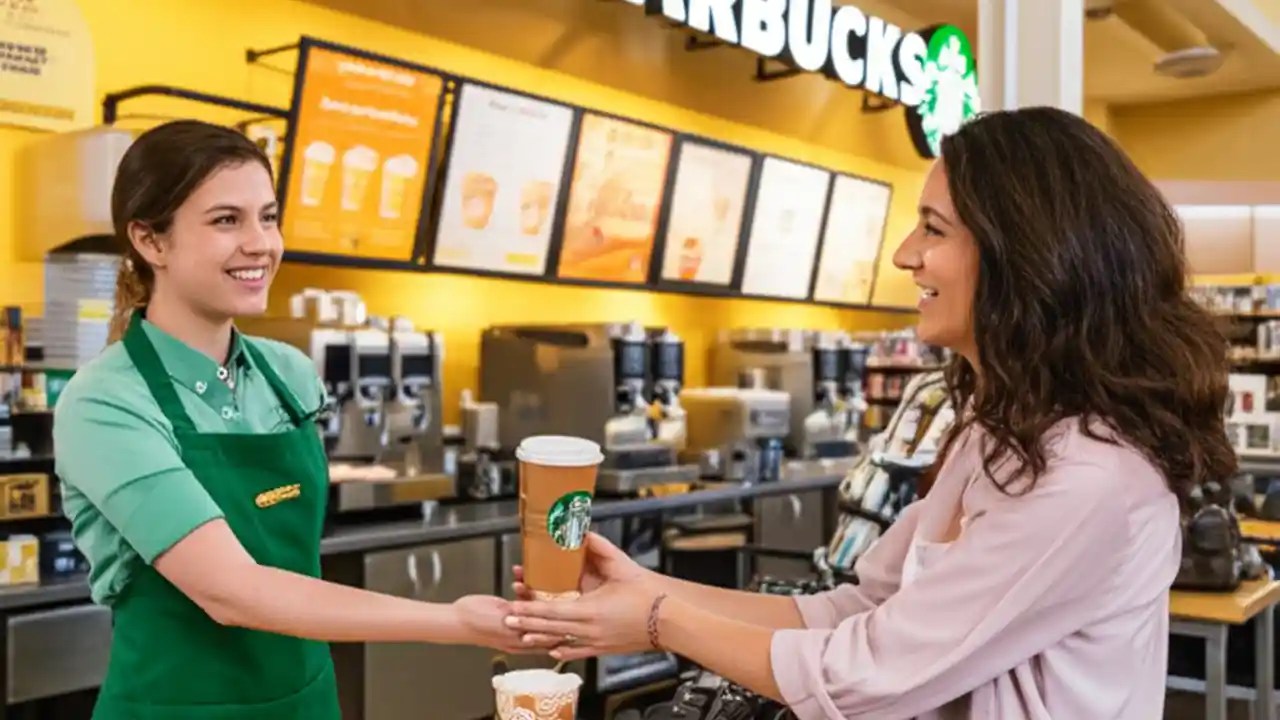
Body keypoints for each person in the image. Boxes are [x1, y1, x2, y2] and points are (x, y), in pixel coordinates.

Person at [507, 107, 1237, 719]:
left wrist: (658, 621)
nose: (904, 255)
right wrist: (647, 588)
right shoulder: (998, 434)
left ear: (1028, 256)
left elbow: (863, 673)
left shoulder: (1090, 476)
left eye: (934, 229)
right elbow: (852, 610)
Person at [52, 119, 525, 720]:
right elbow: (233, 592)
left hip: (306, 703)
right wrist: (454, 620)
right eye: (227, 220)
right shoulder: (106, 403)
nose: (262, 244)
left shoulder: (290, 375)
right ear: (150, 241)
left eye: (268, 217)